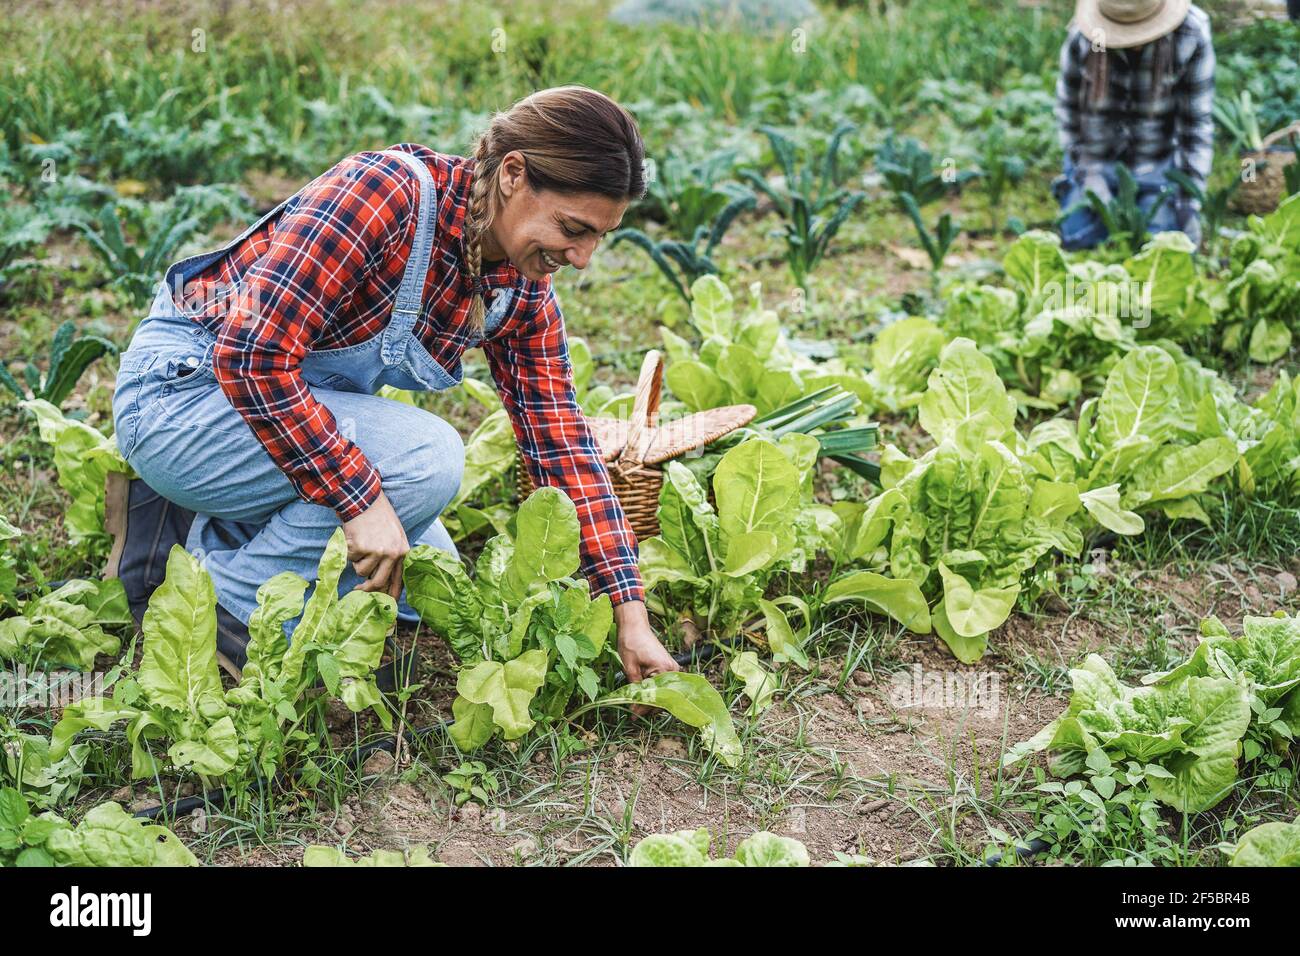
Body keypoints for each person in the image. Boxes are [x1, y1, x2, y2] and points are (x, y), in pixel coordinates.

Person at [108, 85, 680, 684]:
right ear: (513, 173)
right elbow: (252, 358)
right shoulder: (386, 195)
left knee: (428, 575)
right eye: (572, 227)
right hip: (183, 400)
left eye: (599, 237)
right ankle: (225, 611)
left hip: (268, 429)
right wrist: (359, 498)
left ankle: (177, 530)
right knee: (427, 462)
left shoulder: (520, 290)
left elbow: (561, 444)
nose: (583, 256)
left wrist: (628, 612)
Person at [1053, 0, 1215, 250]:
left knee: (1155, 247)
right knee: (1080, 239)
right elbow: (1069, 114)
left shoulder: (1190, 34)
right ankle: (1076, 192)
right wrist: (1088, 176)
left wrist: (1188, 203)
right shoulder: (1083, 38)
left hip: (1157, 166)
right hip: (1096, 162)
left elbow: (1195, 127)